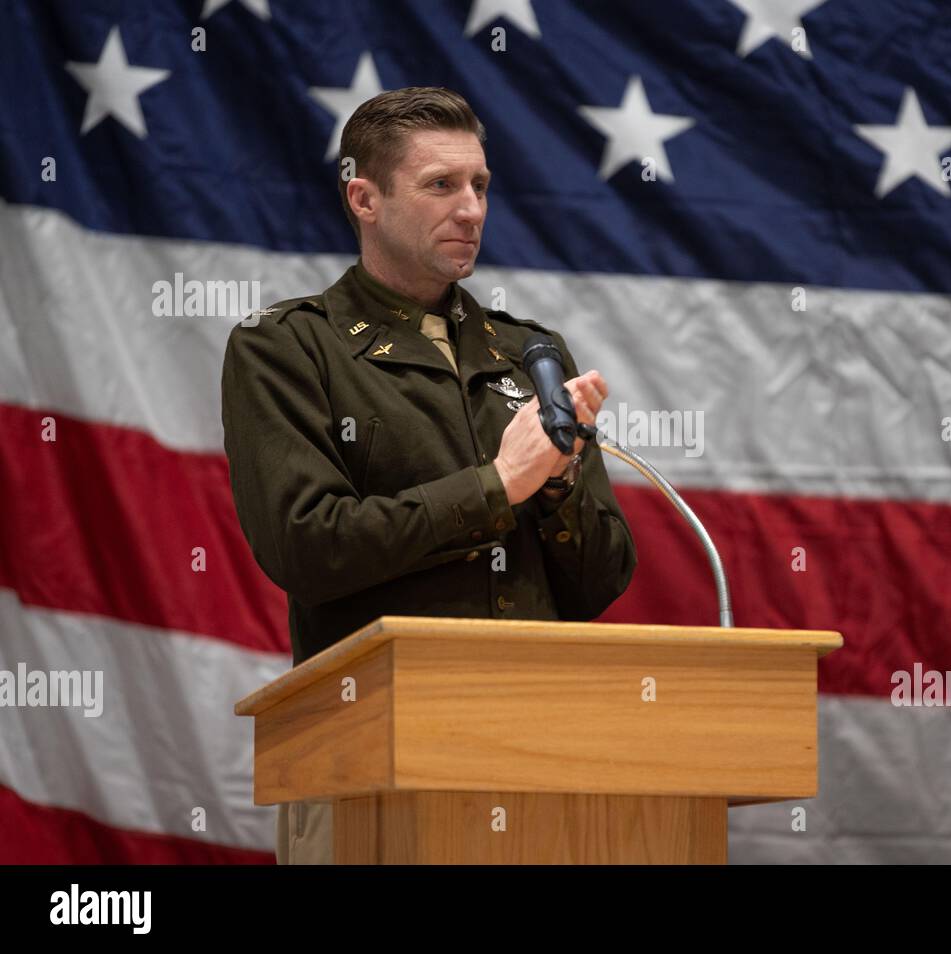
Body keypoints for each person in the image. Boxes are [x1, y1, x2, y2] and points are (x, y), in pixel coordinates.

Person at [220, 87, 638, 864]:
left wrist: (552, 491)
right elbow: (308, 548)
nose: (472, 208)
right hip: (368, 746)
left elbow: (603, 580)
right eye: (440, 185)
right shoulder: (287, 348)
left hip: (542, 747)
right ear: (365, 198)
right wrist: (498, 485)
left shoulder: (530, 355)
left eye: (480, 184)